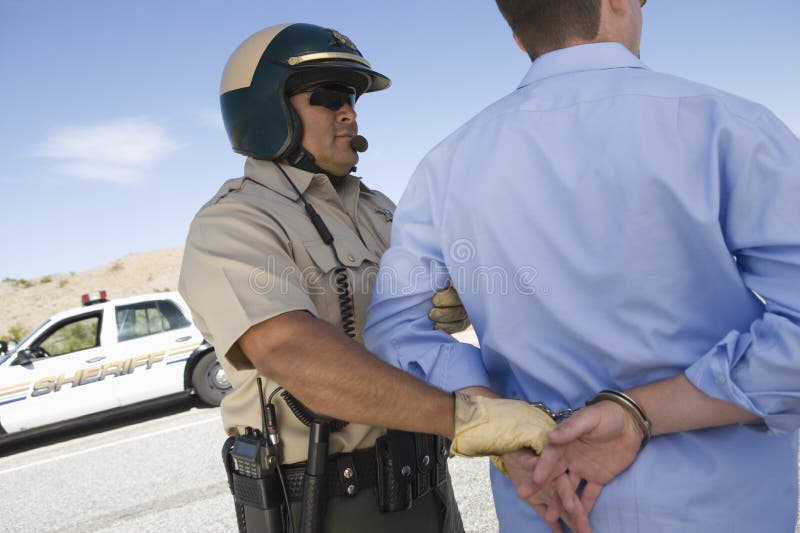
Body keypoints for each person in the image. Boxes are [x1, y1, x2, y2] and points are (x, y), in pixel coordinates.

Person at [362, 0, 800, 531]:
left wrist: (501, 423)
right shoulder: (730, 126)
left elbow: (393, 328)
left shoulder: (444, 166)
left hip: (544, 503)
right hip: (721, 507)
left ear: (520, 37)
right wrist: (640, 413)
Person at [179, 23, 557, 533]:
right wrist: (468, 419)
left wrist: (452, 299)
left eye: (352, 97)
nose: (349, 112)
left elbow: (415, 324)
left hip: (427, 485)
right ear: (266, 110)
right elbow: (290, 349)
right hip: (331, 504)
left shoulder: (380, 210)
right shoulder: (235, 223)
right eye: (328, 96)